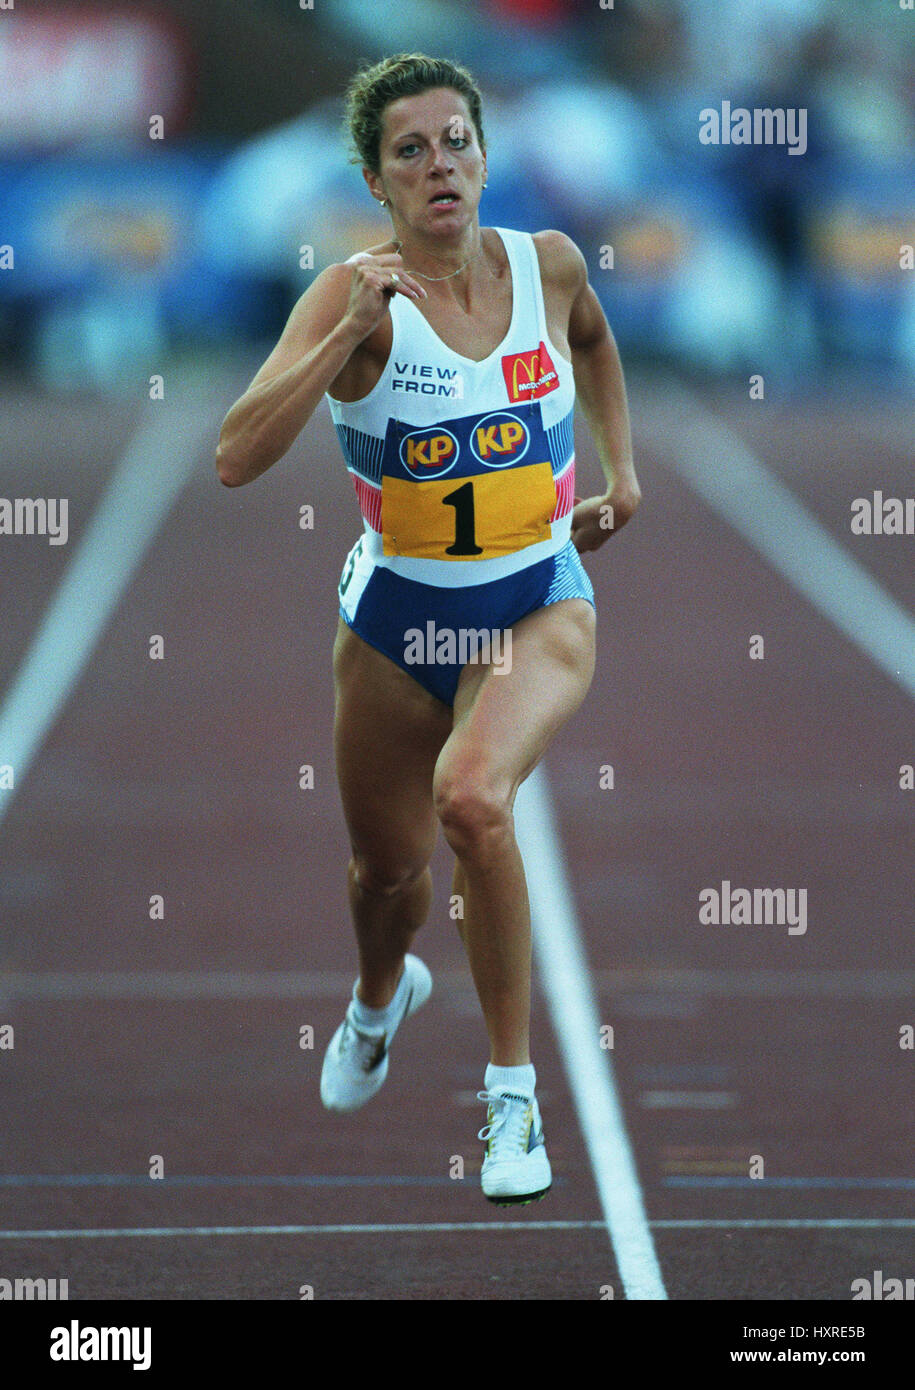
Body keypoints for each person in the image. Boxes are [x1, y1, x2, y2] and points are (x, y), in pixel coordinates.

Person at [216, 53, 641, 1205]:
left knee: (473, 799)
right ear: (376, 181)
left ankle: (512, 1099)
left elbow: (596, 339)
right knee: (386, 876)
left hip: (537, 601)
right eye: (411, 150)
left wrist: (624, 472)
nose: (439, 165)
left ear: (486, 158)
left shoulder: (549, 265)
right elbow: (235, 456)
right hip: (397, 620)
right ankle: (378, 995)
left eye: (457, 142)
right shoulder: (351, 297)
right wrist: (339, 336)